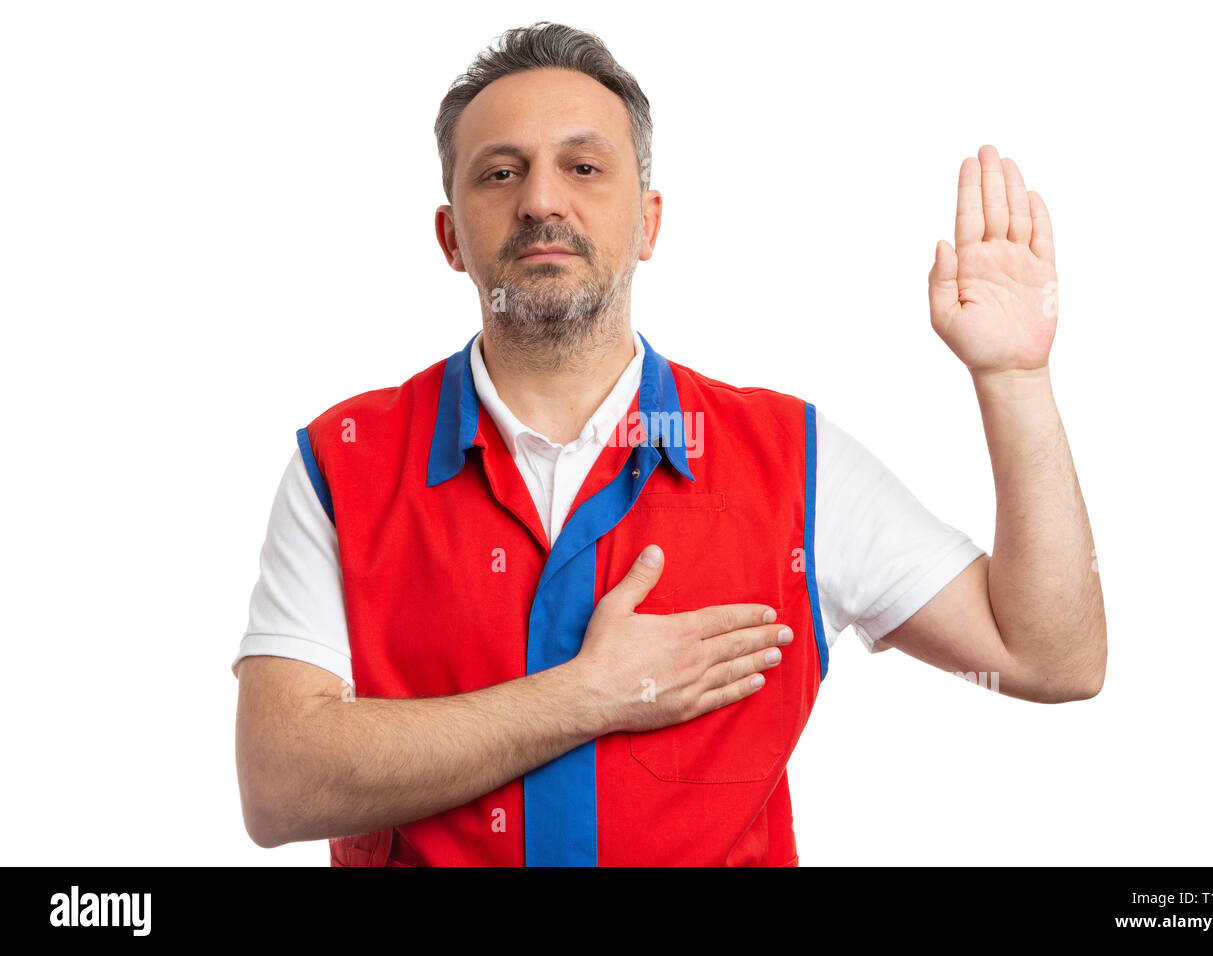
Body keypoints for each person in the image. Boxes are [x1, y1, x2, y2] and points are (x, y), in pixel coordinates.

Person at [232, 22, 1106, 866]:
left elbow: (1048, 657)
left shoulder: (791, 463)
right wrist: (586, 697)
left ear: (649, 223)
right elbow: (277, 785)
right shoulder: (341, 465)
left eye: (583, 166)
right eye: (501, 172)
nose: (542, 199)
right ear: (450, 237)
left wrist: (1015, 384)